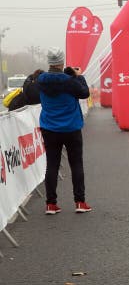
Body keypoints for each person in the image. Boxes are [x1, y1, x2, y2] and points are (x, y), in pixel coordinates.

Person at [37, 48, 91, 214]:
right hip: (71, 127)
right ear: (61, 62)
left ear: (49, 62)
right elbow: (85, 93)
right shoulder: (70, 81)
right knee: (76, 164)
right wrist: (78, 75)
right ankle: (80, 202)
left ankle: (50, 204)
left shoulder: (41, 80)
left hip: (49, 127)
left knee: (52, 165)